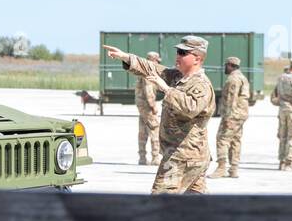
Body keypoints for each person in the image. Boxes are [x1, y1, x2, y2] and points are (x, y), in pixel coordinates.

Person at [104, 36, 215, 194]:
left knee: (160, 203)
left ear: (197, 58)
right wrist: (127, 57)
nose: (178, 56)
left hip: (183, 157)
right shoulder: (178, 77)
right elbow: (153, 68)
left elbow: (190, 108)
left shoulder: (200, 84)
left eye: (183, 52)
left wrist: (166, 89)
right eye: (178, 51)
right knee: (195, 208)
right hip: (189, 155)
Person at [212, 55, 250, 179]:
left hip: (233, 114)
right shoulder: (242, 77)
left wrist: (228, 117)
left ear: (231, 65)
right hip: (241, 114)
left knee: (222, 139)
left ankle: (221, 168)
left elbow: (230, 98)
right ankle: (234, 169)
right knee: (235, 140)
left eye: (226, 65)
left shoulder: (233, 79)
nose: (225, 67)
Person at [134, 50, 162, 165]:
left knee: (142, 131)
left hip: (141, 106)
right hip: (147, 106)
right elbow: (148, 90)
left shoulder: (143, 70)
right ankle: (155, 158)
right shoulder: (149, 71)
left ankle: (142, 157)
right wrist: (153, 105)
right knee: (154, 129)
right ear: (153, 60)